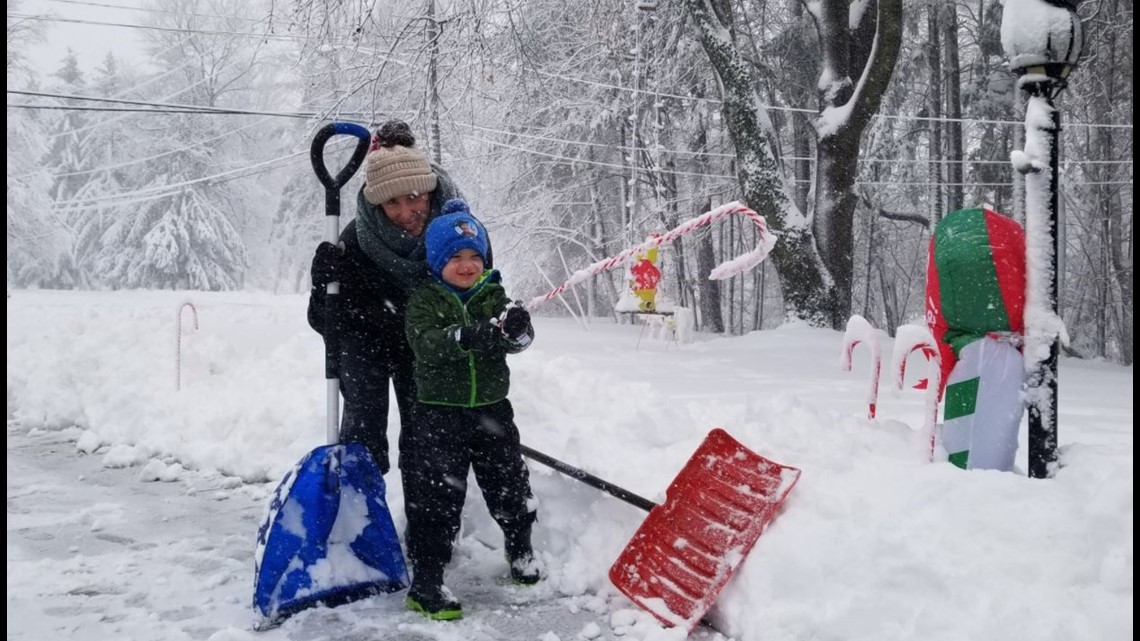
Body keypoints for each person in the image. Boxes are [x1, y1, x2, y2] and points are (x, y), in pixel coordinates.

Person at [307, 120, 475, 475]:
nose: (404, 213)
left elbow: (479, 290)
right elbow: (325, 324)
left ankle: (428, 524)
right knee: (362, 424)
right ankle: (360, 512)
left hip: (424, 340)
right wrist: (322, 286)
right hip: (366, 339)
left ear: (429, 190)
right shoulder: (355, 241)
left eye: (413, 198)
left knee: (427, 436)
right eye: (390, 203)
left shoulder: (457, 234)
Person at [401, 199, 541, 620]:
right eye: (456, 258)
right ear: (437, 261)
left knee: (510, 484)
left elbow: (519, 340)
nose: (466, 266)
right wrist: (466, 335)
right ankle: (426, 581)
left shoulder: (494, 295)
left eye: (474, 257)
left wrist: (516, 332)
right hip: (439, 415)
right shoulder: (424, 299)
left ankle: (521, 551)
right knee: (438, 498)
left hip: (493, 410)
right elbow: (425, 343)